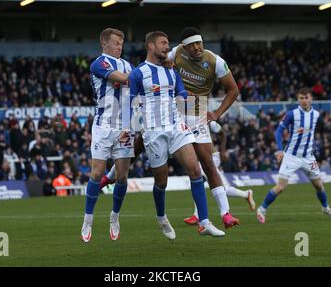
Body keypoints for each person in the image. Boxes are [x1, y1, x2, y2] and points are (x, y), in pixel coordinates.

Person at [101, 27, 241, 229]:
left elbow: (233, 89)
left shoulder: (215, 61)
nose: (196, 48)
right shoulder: (174, 53)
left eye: (199, 43)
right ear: (184, 46)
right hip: (170, 109)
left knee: (207, 163)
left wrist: (217, 113)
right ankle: (110, 176)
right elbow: (157, 64)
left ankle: (225, 213)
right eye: (191, 44)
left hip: (196, 111)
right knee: (137, 145)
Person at [129, 31, 225, 239]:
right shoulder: (138, 73)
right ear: (151, 46)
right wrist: (131, 128)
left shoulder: (172, 72)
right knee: (161, 182)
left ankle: (205, 222)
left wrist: (199, 104)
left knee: (195, 170)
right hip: (154, 133)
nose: (167, 47)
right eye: (163, 43)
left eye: (168, 43)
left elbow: (182, 94)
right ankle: (162, 217)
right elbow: (130, 103)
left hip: (176, 127)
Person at [80, 28, 135, 243]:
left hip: (124, 128)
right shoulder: (99, 64)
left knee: (121, 177)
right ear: (104, 44)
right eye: (115, 43)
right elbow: (124, 79)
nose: (119, 46)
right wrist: (136, 77)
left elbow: (133, 91)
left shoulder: (128, 65)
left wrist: (130, 125)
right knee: (97, 174)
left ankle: (114, 217)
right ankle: (88, 219)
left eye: (121, 43)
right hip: (103, 126)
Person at [256, 87, 331, 223]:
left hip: (308, 157)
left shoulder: (316, 115)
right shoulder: (291, 114)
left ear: (311, 98)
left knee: (319, 186)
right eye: (301, 98)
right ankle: (262, 209)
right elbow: (278, 131)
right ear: (298, 99)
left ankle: (326, 208)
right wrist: (279, 150)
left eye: (306, 97)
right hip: (291, 156)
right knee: (281, 187)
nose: (304, 100)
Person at [184, 121, 256, 225]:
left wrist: (222, 150)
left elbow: (223, 133)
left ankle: (197, 216)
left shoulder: (208, 121)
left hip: (212, 157)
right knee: (218, 187)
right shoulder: (184, 120)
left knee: (199, 180)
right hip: (201, 159)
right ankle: (246, 194)